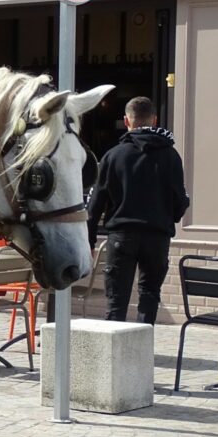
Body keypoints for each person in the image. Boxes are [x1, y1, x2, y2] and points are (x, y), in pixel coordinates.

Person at [87, 96, 190, 325]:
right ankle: (143, 351)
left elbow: (95, 205)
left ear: (126, 121)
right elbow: (179, 201)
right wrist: (170, 215)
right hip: (157, 236)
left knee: (116, 302)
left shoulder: (113, 156)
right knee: (150, 295)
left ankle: (113, 355)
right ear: (154, 120)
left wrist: (89, 240)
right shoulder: (171, 156)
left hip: (121, 236)